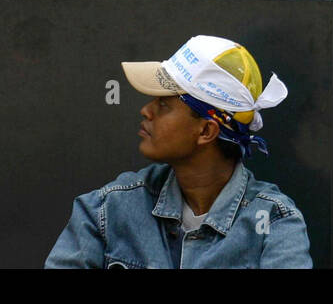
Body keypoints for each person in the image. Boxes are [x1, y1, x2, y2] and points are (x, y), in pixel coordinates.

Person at [45, 35, 312, 268]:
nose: (146, 111)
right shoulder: (108, 209)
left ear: (206, 131)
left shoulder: (275, 222)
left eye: (163, 104)